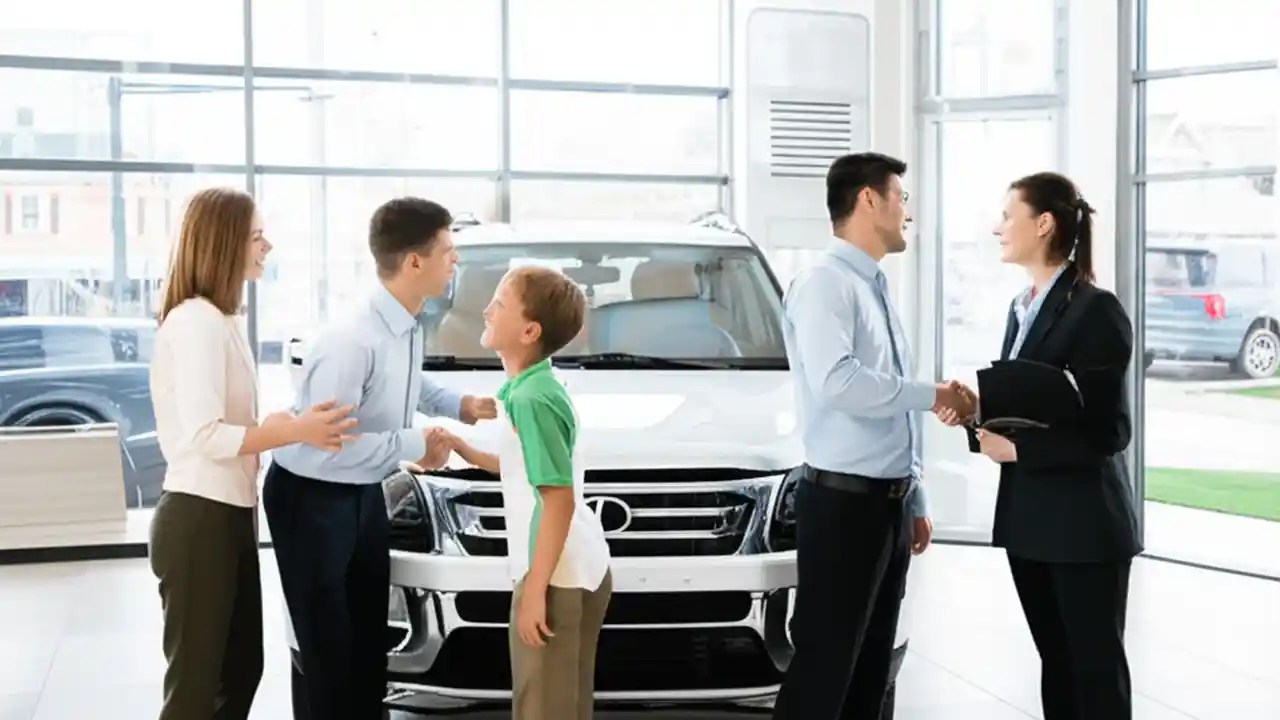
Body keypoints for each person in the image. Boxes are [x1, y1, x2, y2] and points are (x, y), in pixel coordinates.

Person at [263, 197, 498, 719]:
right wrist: (421, 444)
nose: (455, 261)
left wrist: (458, 406)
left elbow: (408, 385)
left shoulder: (406, 322)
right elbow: (333, 442)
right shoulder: (351, 341)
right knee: (329, 650)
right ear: (415, 262)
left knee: (369, 639)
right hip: (312, 497)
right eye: (448, 251)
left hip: (362, 490)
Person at [772, 152, 974, 720]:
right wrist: (933, 394)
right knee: (825, 672)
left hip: (884, 508)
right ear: (868, 199)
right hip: (842, 507)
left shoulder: (874, 286)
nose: (906, 210)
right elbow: (840, 383)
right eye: (900, 197)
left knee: (873, 672)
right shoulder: (824, 284)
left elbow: (890, 412)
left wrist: (914, 497)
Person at [148, 187, 356, 720]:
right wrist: (293, 431)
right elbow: (205, 436)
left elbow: (235, 427)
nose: (267, 245)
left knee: (241, 671)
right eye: (257, 235)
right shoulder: (195, 320)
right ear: (225, 242)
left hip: (229, 513)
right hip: (199, 517)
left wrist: (291, 423)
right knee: (196, 691)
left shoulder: (222, 321)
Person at [939, 171, 1141, 720]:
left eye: (1008, 216)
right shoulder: (1020, 308)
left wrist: (1022, 453)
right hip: (1031, 524)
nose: (998, 227)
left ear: (1044, 223)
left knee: (1094, 674)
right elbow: (1027, 409)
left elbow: (1109, 433)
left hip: (1083, 529)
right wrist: (972, 415)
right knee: (1057, 665)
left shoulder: (1095, 310)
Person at [434, 265, 611, 720]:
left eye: (501, 304)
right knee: (561, 707)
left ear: (530, 330)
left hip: (555, 574)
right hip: (571, 566)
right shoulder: (532, 386)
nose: (487, 310)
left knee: (542, 709)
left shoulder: (532, 399)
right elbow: (528, 469)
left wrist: (535, 590)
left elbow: (557, 497)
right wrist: (466, 451)